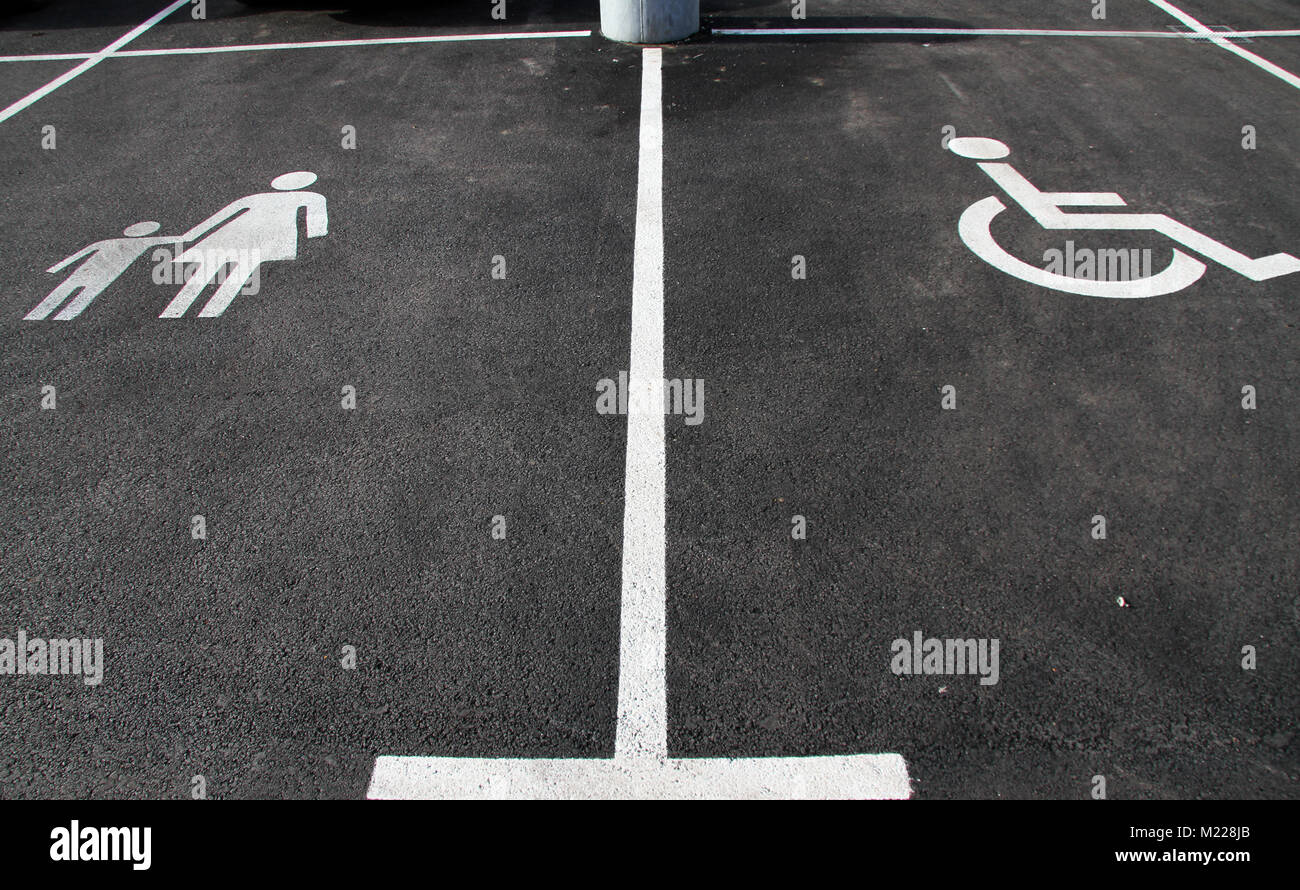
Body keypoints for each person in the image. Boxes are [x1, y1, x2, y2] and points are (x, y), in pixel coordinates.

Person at [160, 171, 328, 318]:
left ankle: (178, 307)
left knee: (211, 265)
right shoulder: (310, 196)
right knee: (242, 267)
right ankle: (212, 308)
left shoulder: (255, 197)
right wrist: (314, 236)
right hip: (270, 236)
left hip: (235, 234)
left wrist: (189, 236)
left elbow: (219, 218)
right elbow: (316, 223)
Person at [26, 222, 178, 321]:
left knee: (73, 289)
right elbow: (181, 238)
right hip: (103, 273)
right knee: (85, 292)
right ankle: (65, 313)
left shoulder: (108, 242)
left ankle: (47, 313)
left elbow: (79, 255)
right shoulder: (142, 241)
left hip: (92, 271)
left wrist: (58, 268)